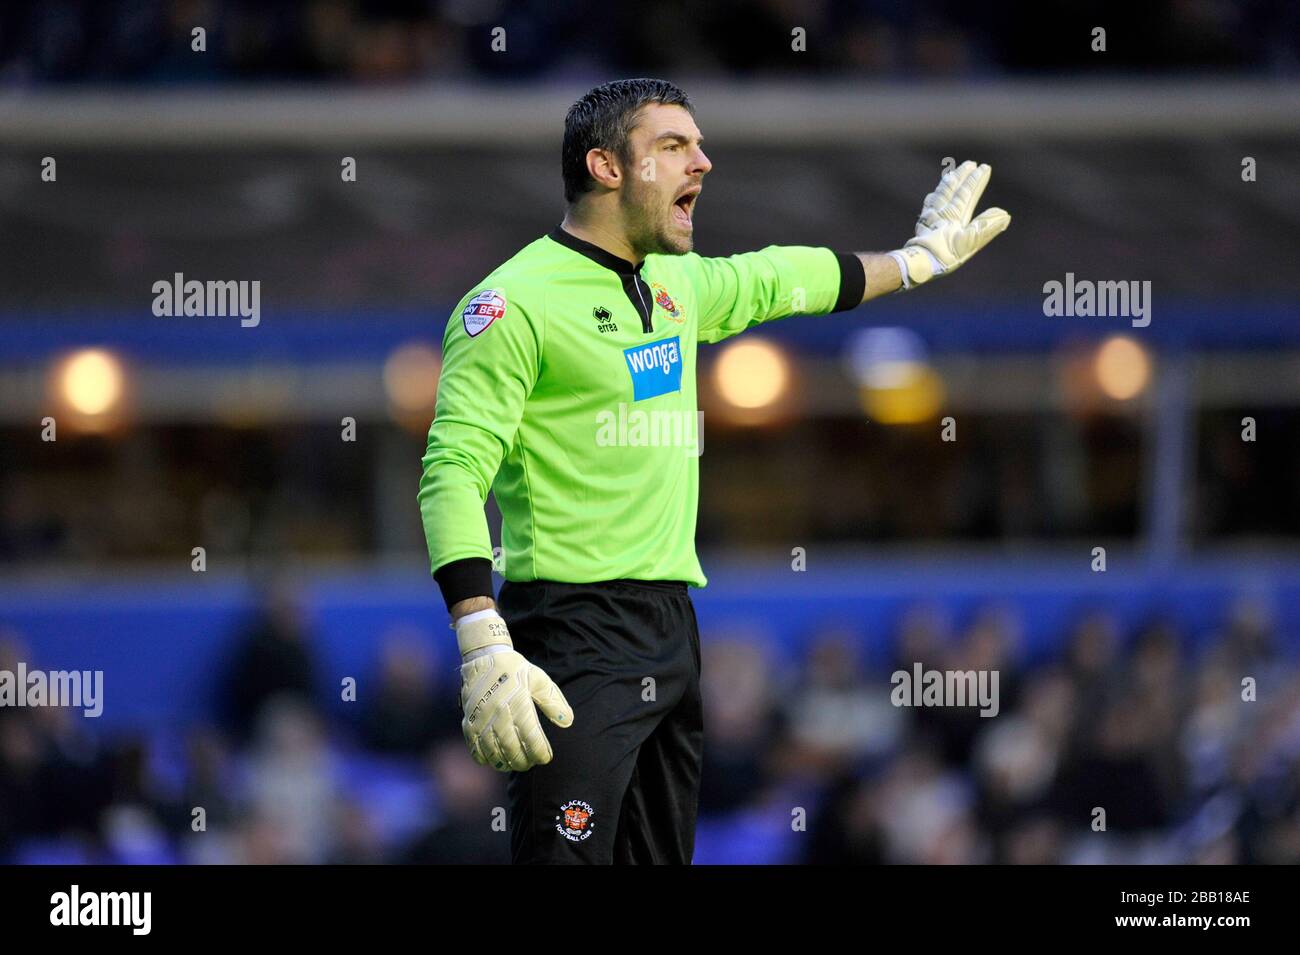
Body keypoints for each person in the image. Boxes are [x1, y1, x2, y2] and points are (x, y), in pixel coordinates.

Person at [417, 77, 1010, 864]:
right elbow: (452, 468)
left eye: (696, 144)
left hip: (671, 631)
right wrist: (481, 636)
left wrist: (916, 260)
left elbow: (782, 277)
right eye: (672, 147)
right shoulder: (508, 305)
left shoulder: (676, 285)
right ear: (605, 167)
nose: (703, 161)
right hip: (572, 632)